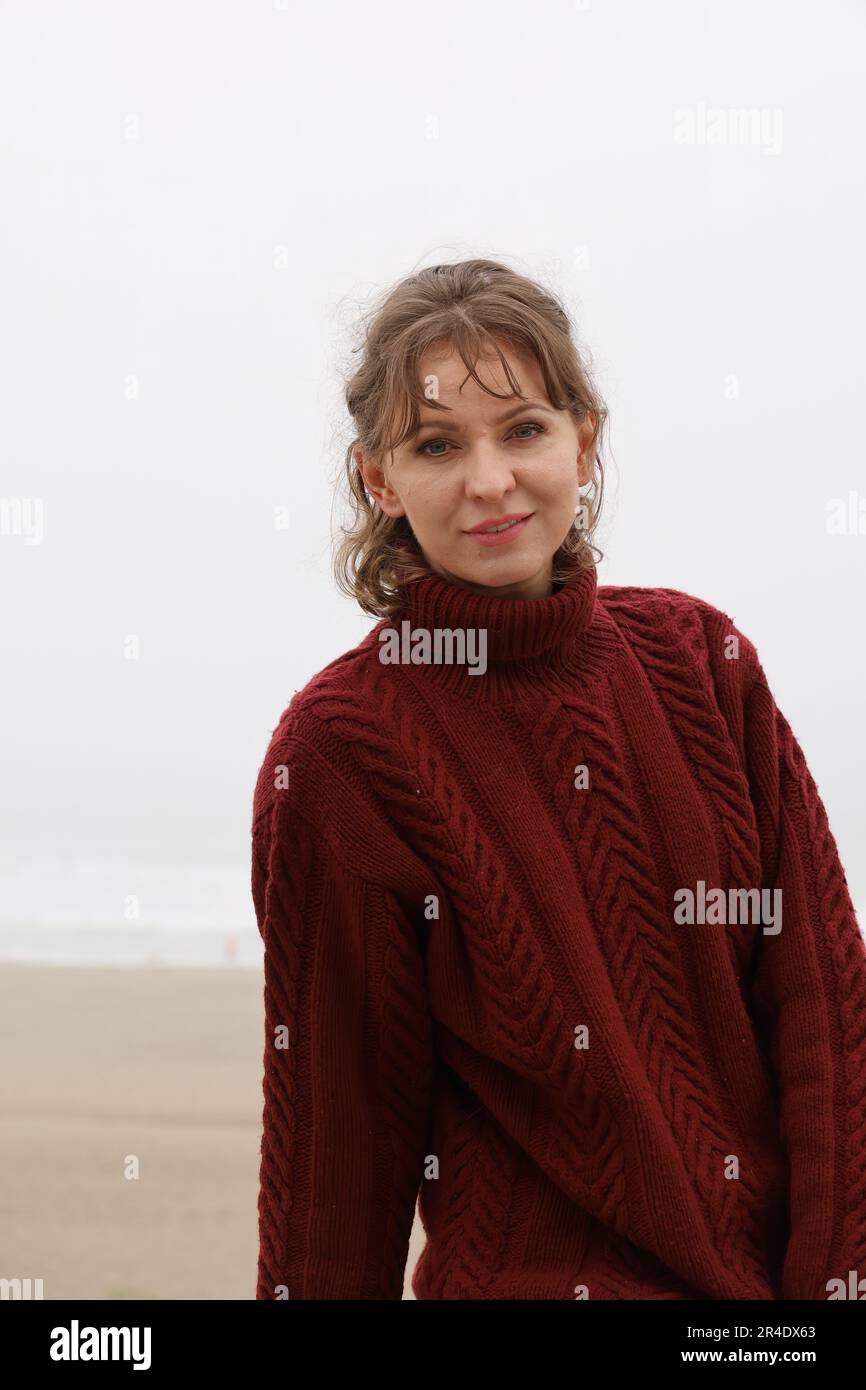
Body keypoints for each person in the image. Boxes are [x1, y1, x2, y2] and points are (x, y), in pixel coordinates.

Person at [250, 258, 866, 1300]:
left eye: (522, 430)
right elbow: (338, 1152)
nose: (488, 481)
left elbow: (824, 1019)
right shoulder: (341, 755)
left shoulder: (701, 664)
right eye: (437, 445)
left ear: (584, 439)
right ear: (379, 480)